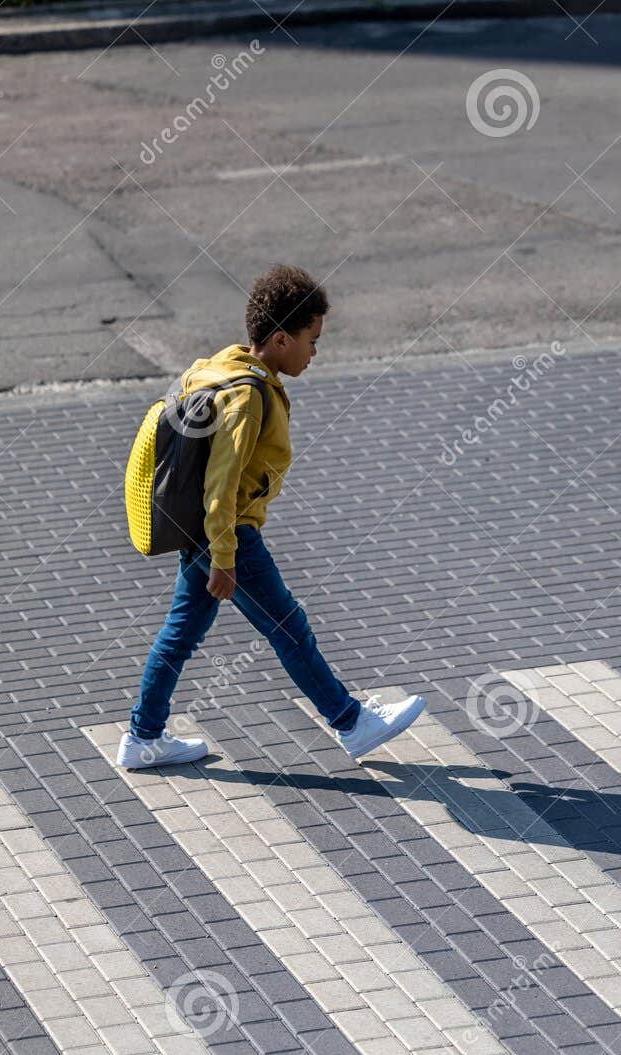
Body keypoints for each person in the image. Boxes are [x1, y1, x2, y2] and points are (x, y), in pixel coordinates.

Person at [114, 265, 423, 768]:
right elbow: (222, 485)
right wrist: (224, 558)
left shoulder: (223, 365)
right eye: (311, 339)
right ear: (280, 339)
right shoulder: (249, 397)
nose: (315, 352)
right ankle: (351, 722)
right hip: (227, 534)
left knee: (183, 632)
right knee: (288, 627)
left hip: (209, 534)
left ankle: (144, 736)